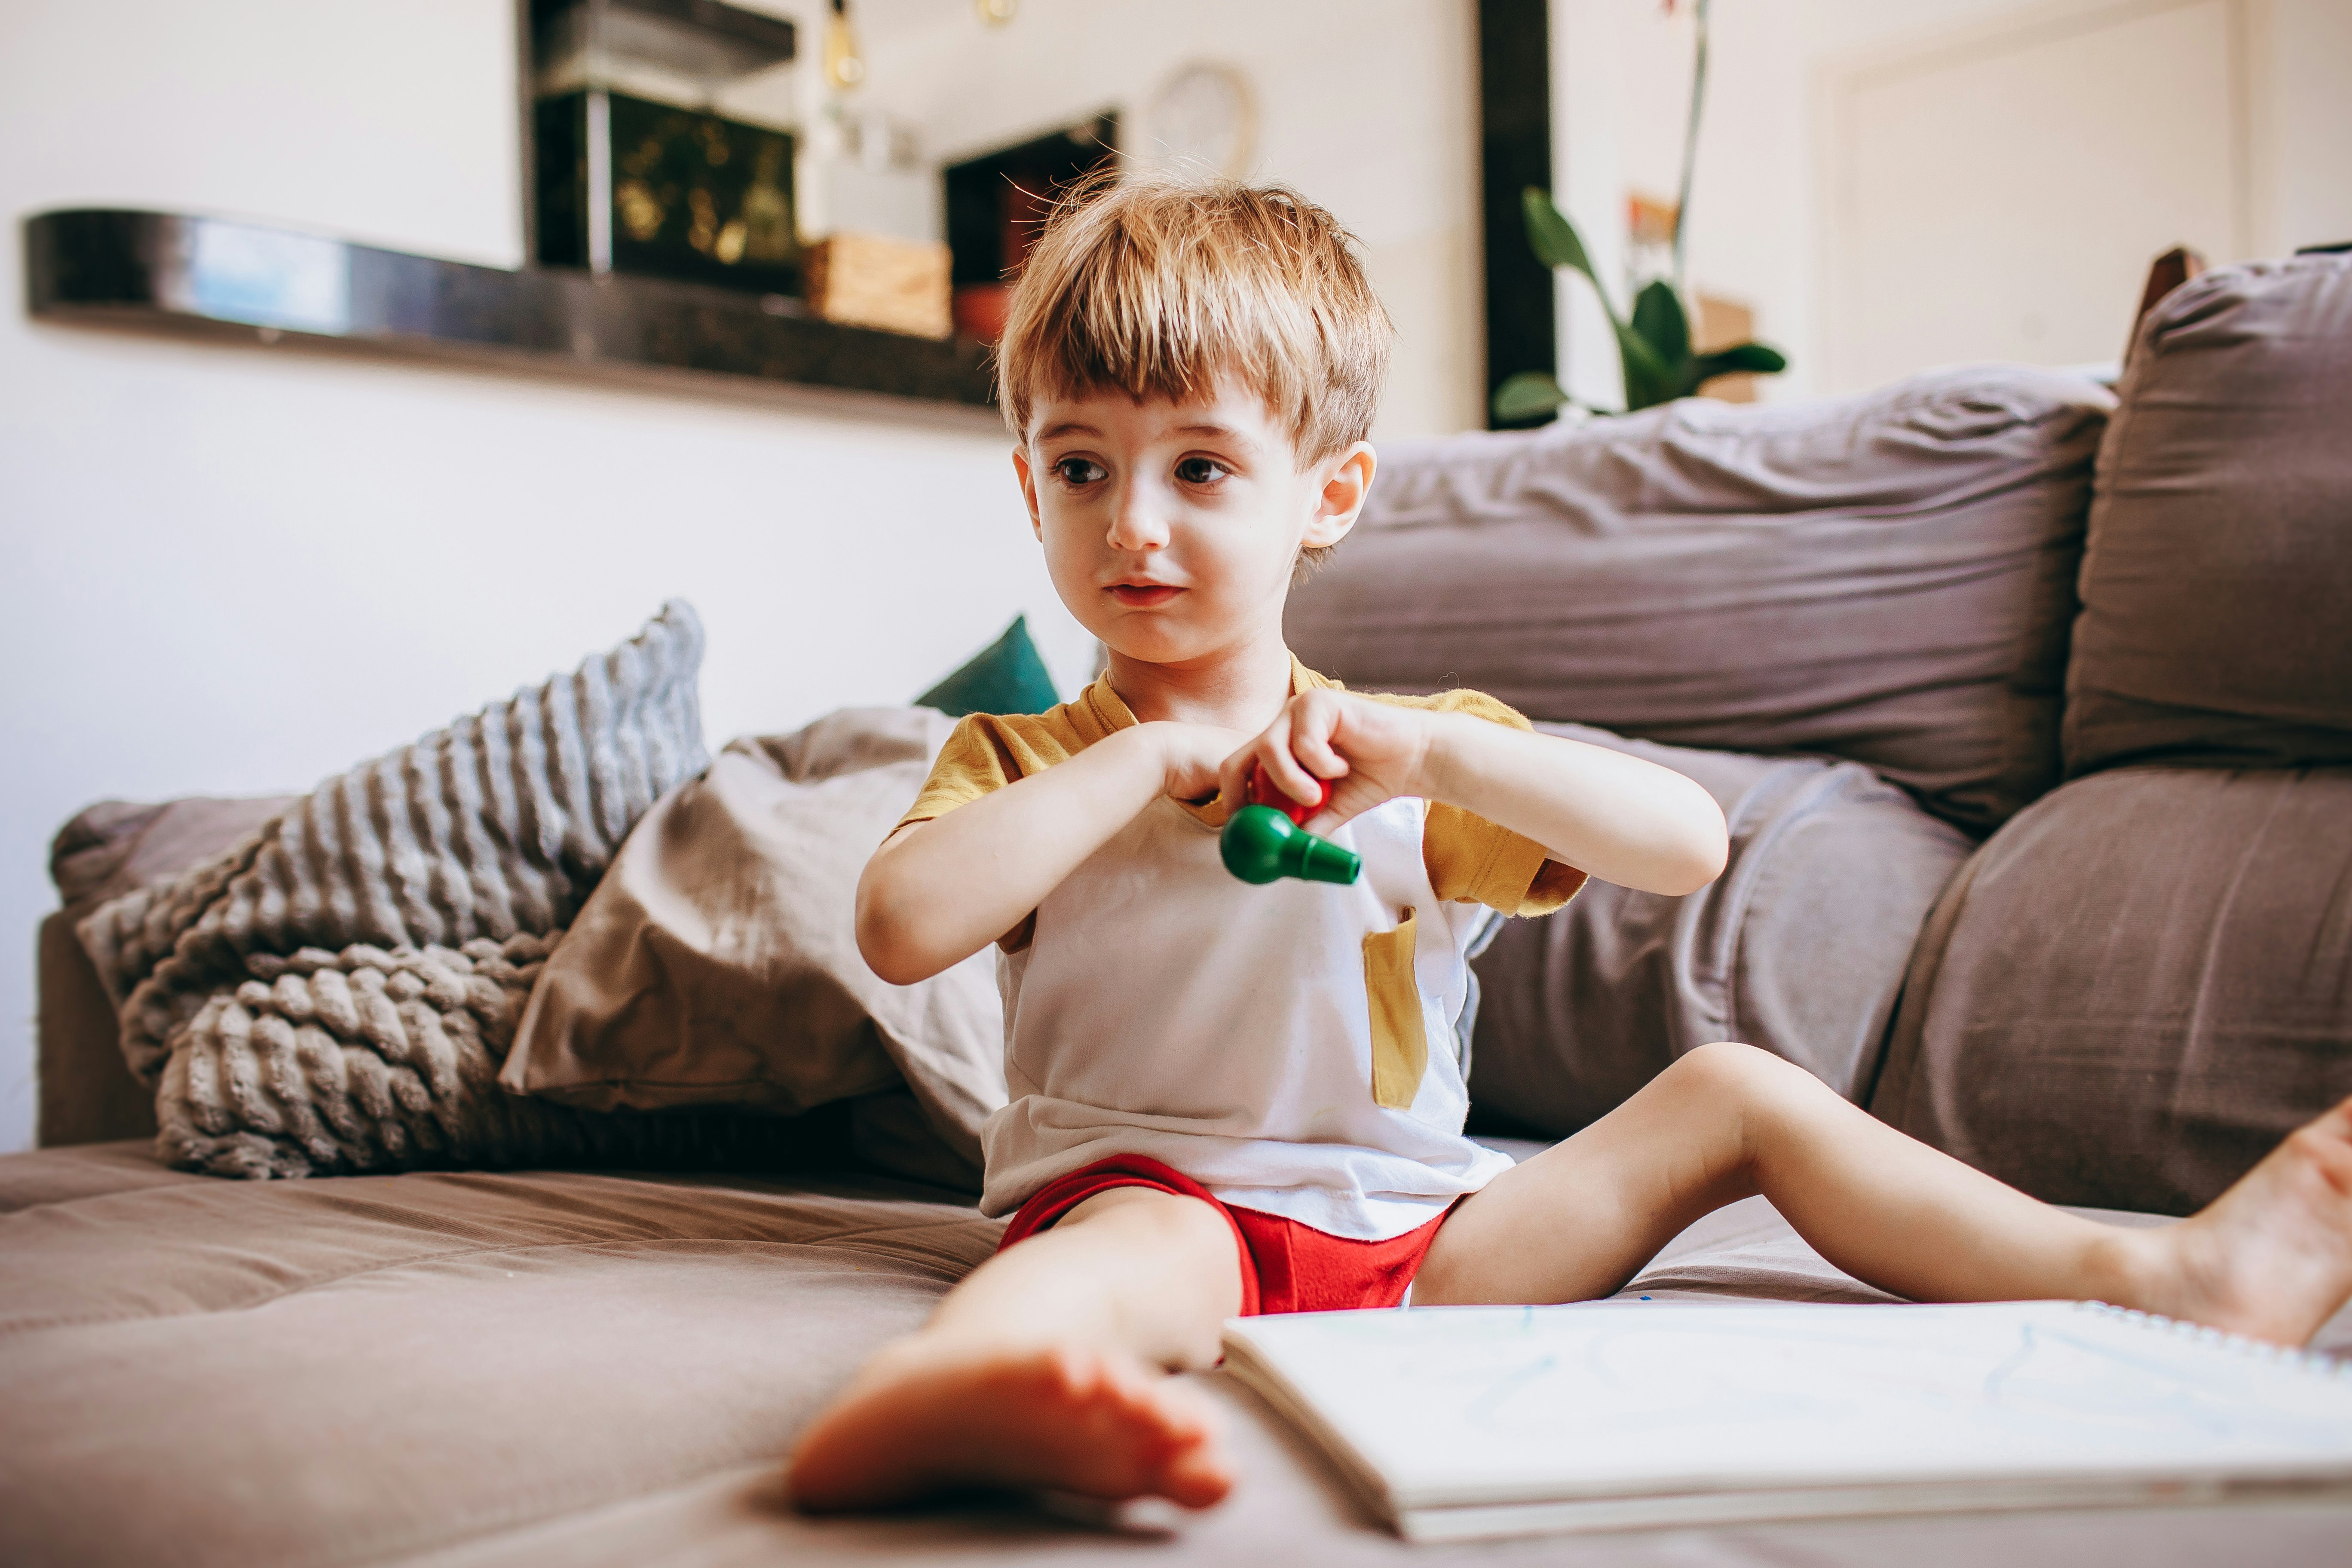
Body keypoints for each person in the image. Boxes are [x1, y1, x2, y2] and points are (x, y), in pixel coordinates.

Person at [787, 175, 2352, 1513]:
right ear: (1029, 486)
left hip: (1431, 1246)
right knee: (1139, 1240)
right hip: (1166, 1208)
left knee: (1736, 1093)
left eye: (1199, 467)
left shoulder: (1401, 750)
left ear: (1327, 498)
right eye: (1082, 468)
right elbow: (903, 926)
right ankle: (964, 1382)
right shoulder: (1033, 759)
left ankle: (2163, 1284)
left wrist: (1442, 750)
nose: (1133, 522)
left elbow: (1685, 849)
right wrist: (1139, 761)